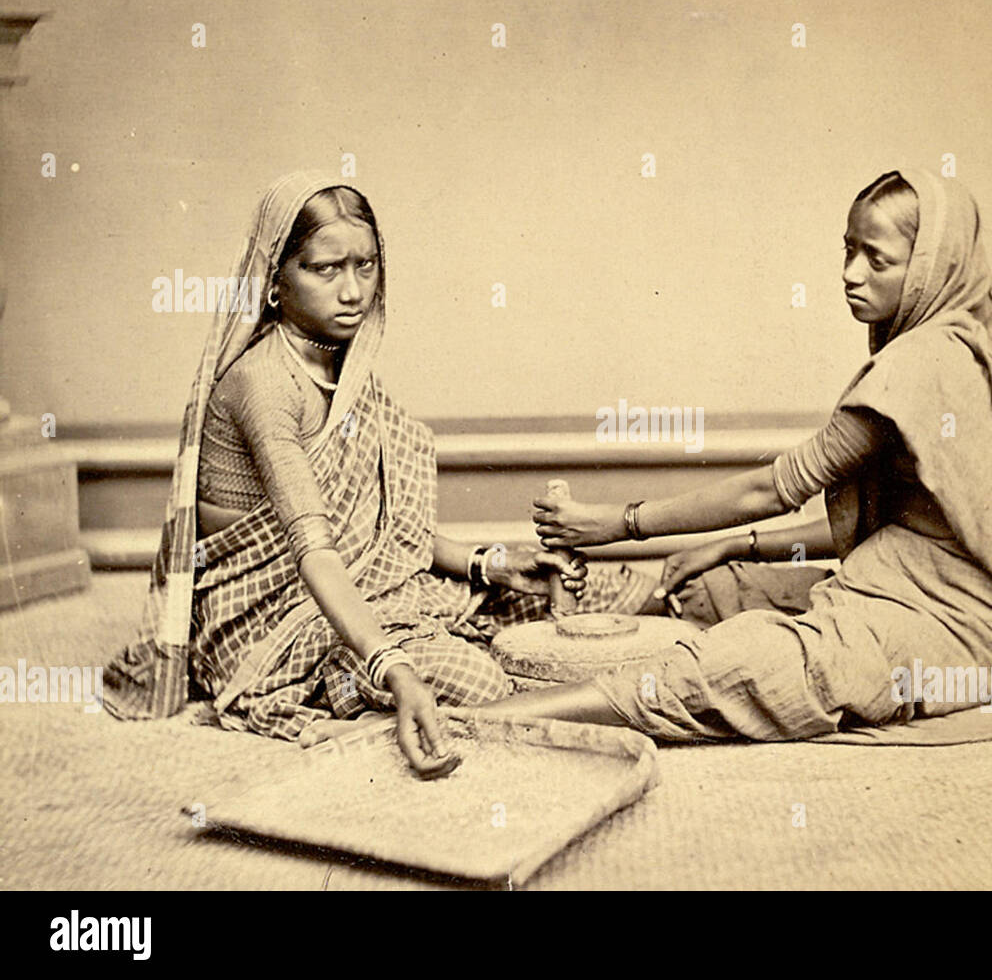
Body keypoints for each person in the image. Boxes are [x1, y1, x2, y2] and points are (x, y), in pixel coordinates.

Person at [482, 168, 992, 740]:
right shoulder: (965, 340)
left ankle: (495, 719)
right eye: (848, 250)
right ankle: (563, 652)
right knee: (710, 588)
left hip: (970, 633)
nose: (850, 274)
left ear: (929, 269)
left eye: (876, 260)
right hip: (902, 580)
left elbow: (774, 488)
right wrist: (736, 545)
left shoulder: (929, 366)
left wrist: (617, 523)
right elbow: (902, 528)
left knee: (752, 666)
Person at [104, 171, 654, 773]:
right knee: (478, 680)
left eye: (365, 266)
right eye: (325, 269)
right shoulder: (263, 384)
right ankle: (358, 686)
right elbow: (316, 550)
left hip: (358, 582)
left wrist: (489, 564)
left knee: (604, 595)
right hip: (273, 618)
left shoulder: (342, 366)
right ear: (274, 282)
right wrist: (392, 667)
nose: (352, 291)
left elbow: (383, 528)